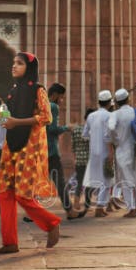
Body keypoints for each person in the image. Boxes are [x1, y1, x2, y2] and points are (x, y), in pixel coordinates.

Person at [0, 51, 61, 254]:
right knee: (5, 192)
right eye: (13, 63)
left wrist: (18, 122)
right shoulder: (13, 92)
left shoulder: (38, 91)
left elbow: (46, 117)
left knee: (23, 195)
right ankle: (10, 242)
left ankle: (51, 224)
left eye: (19, 63)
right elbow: (5, 121)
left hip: (29, 148)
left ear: (29, 68)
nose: (14, 66)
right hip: (11, 146)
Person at [44, 82, 79, 220]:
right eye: (61, 97)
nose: (62, 100)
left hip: (41, 150)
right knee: (60, 181)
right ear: (55, 95)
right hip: (51, 150)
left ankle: (33, 212)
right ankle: (69, 210)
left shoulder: (43, 105)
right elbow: (51, 129)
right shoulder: (53, 107)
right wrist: (66, 128)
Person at [108, 88, 136, 217]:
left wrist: (116, 139)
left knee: (126, 181)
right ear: (128, 99)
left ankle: (131, 208)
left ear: (117, 102)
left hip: (122, 150)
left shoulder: (115, 114)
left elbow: (110, 128)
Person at [83, 91, 114, 218]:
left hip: (93, 152)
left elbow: (85, 134)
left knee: (96, 180)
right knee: (106, 181)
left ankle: (99, 205)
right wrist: (111, 152)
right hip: (105, 151)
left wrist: (95, 136)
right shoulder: (109, 116)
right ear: (109, 103)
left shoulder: (91, 116)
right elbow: (109, 136)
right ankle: (100, 207)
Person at [71, 108, 95, 215]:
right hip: (88, 160)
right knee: (89, 183)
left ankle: (76, 203)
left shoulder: (76, 129)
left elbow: (73, 146)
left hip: (79, 160)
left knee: (79, 182)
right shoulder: (91, 131)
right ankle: (87, 204)